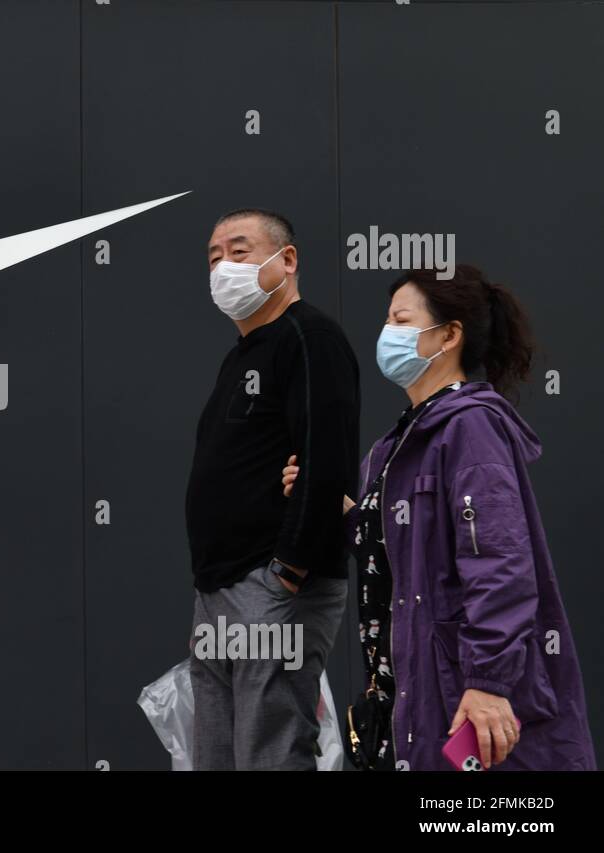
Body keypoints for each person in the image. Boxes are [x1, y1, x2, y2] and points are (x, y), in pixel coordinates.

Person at [282, 265, 596, 770]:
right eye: (387, 320)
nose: (388, 333)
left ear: (450, 335)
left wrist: (489, 684)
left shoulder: (470, 427)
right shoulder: (394, 446)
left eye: (401, 319)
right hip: (401, 700)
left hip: (458, 699)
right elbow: (393, 554)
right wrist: (334, 509)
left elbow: (499, 563)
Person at [187, 209, 360, 770]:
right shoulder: (240, 356)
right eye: (214, 258)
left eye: (239, 252)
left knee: (271, 753)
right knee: (216, 756)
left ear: (286, 260)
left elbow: (327, 458)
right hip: (218, 588)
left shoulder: (309, 337)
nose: (223, 267)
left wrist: (288, 570)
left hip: (273, 584)